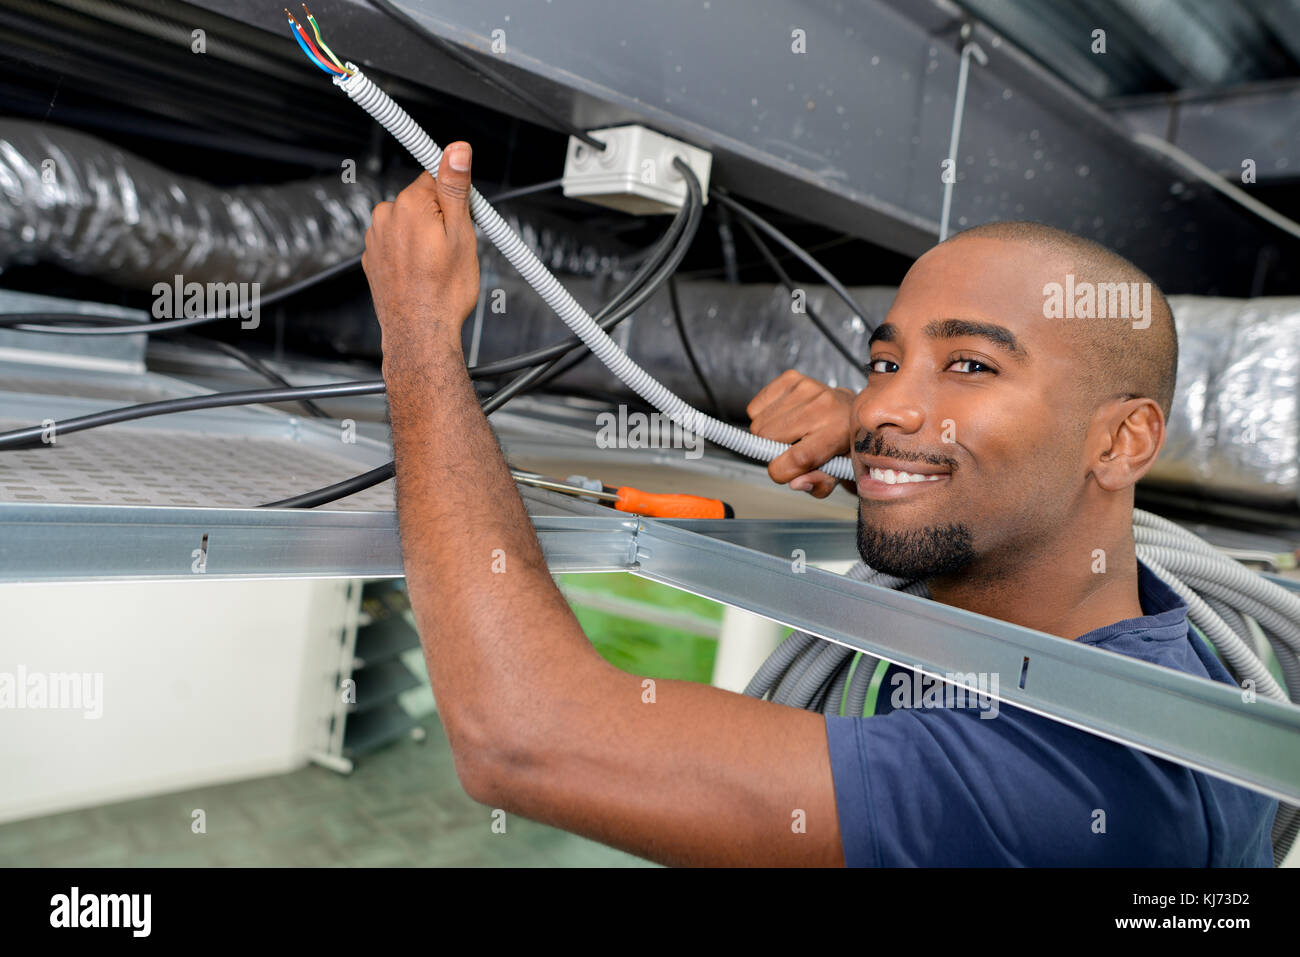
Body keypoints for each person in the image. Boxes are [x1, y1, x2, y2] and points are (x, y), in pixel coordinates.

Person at [359, 142, 1277, 866]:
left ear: (1121, 442)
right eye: (884, 362)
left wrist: (417, 329)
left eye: (971, 363)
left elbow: (525, 736)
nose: (880, 402)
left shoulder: (1095, 780)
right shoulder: (1119, 614)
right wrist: (915, 442)